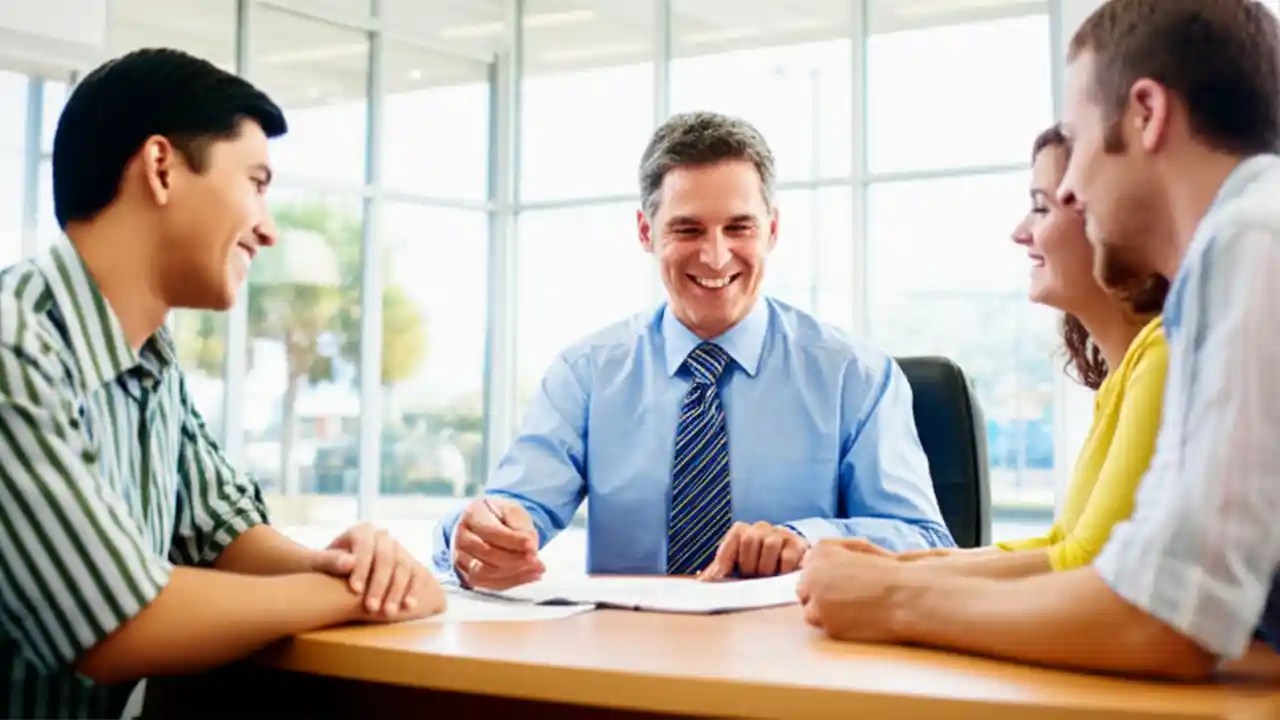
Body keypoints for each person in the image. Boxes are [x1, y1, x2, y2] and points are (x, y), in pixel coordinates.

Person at [798, 0, 1280, 680]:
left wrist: (895, 599)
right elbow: (1145, 576)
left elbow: (1167, 619)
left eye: (1078, 141)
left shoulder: (1252, 239)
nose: (1074, 188)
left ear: (1147, 113)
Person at [0, 48, 444, 718]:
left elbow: (223, 533)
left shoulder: (150, 363)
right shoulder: (13, 343)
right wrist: (357, 595)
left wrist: (353, 568)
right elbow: (114, 624)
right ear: (161, 168)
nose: (267, 230)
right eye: (257, 182)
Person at [434, 111, 954, 590]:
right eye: (687, 229)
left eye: (738, 227)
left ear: (772, 229)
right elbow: (514, 505)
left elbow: (926, 543)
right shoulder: (586, 374)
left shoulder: (856, 377)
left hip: (800, 660)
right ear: (646, 232)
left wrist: (808, 542)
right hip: (626, 659)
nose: (715, 254)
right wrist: (481, 535)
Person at [843, 124, 1169, 580]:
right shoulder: (1125, 374)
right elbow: (1064, 544)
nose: (1021, 233)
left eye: (1041, 207)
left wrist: (899, 585)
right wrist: (904, 564)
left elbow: (1087, 568)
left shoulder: (1163, 356)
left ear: (1112, 218)